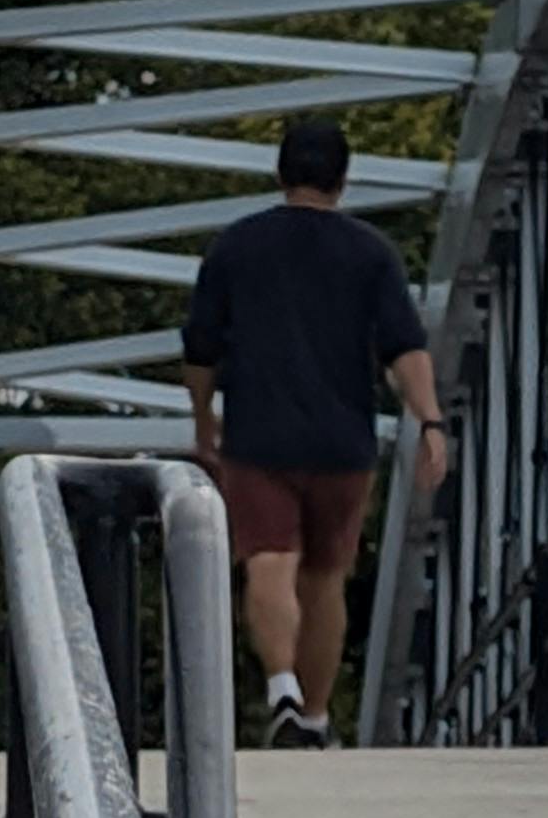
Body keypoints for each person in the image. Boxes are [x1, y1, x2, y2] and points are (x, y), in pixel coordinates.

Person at [183, 113, 443, 749]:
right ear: (343, 180)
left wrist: (203, 423)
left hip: (260, 436)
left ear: (280, 173)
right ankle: (319, 719)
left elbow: (200, 350)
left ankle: (283, 691)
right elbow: (404, 348)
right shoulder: (371, 252)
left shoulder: (235, 247)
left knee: (269, 561)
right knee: (326, 578)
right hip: (342, 442)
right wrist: (431, 419)